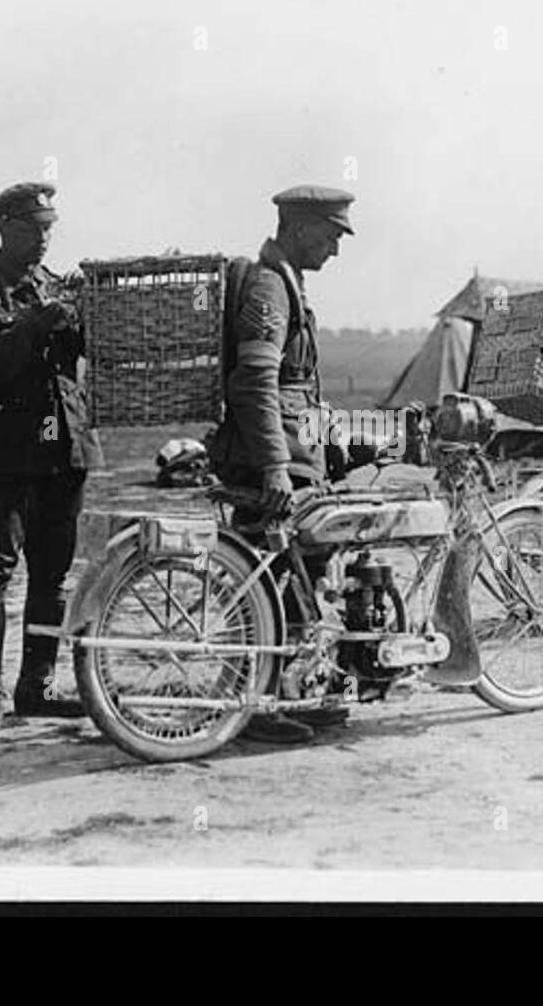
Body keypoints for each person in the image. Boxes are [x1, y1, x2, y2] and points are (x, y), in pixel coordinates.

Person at [0, 181, 103, 736]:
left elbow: (91, 357)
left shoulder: (58, 288)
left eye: (49, 228)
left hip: (64, 453)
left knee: (53, 577)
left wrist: (90, 311)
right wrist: (36, 324)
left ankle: (36, 688)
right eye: (34, 228)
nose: (44, 238)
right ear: (3, 228)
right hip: (1, 459)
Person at [208, 184, 355, 744]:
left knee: (300, 574)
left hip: (295, 448)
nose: (336, 249)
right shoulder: (271, 288)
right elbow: (255, 383)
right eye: (331, 234)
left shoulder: (288, 282)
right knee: (267, 581)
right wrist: (274, 467)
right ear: (298, 227)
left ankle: (293, 690)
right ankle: (259, 708)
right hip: (271, 454)